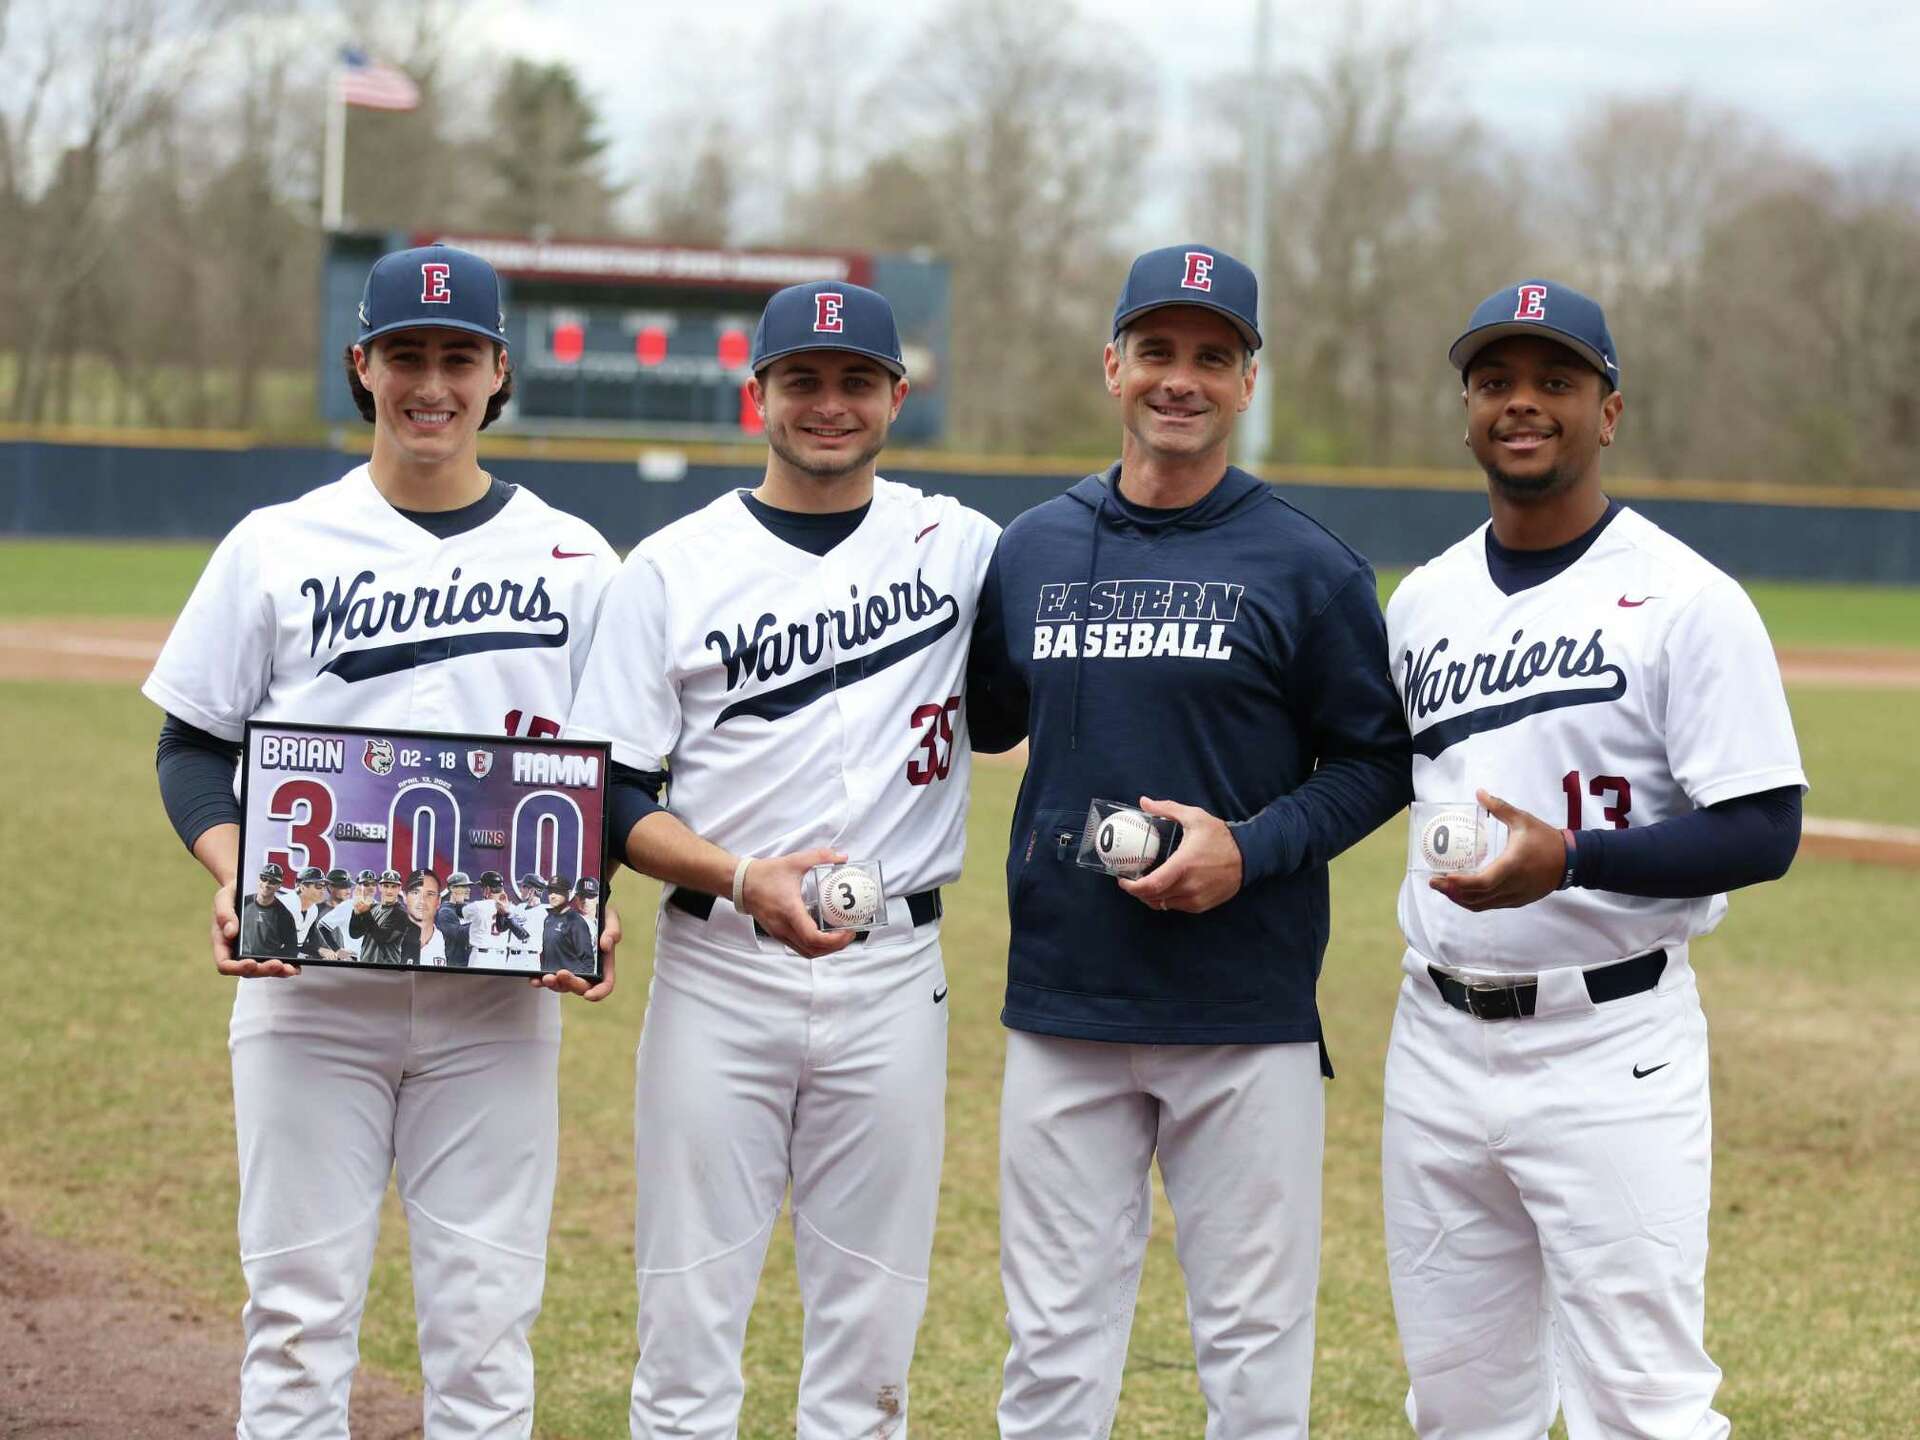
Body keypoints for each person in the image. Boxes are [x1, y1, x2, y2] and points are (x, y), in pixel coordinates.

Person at [142, 241, 622, 1436]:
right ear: (362, 365)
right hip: (308, 988)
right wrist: (231, 868)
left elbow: (617, 774)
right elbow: (192, 749)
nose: (432, 384)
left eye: (458, 357)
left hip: (497, 1004)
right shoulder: (279, 543)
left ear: (499, 373)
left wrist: (593, 891)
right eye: (406, 355)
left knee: (485, 1326)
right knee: (299, 1320)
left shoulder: (576, 561)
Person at [965, 243, 1412, 1438]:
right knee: (1053, 1347)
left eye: (1213, 357)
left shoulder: (1309, 567)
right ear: (1111, 364)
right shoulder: (1034, 549)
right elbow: (990, 712)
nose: (1182, 379)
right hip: (1067, 1001)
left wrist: (1252, 847)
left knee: (1254, 1354)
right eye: (1157, 351)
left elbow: (1378, 765)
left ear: (1248, 381)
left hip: (1242, 1008)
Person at [564, 279, 1001, 1438]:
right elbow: (611, 793)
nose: (829, 404)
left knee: (871, 1337)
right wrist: (736, 875)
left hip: (896, 973)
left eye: (856, 380)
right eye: (801, 379)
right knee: (688, 1320)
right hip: (722, 970)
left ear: (896, 397)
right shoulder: (670, 566)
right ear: (754, 392)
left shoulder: (960, 548)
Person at [1380, 280, 1804, 1440]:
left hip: (1610, 1043)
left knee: (1647, 1407)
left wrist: (1572, 859)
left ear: (1608, 411)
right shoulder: (1422, 602)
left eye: (1555, 382)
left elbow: (1764, 830)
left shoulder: (1688, 601)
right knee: (1461, 1407)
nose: (1523, 404)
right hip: (1436, 1038)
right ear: (1467, 411)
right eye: (1496, 382)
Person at [237, 863, 297, 959]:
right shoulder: (243, 903)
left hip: (267, 967)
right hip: (241, 961)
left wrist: (272, 962)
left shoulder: (284, 915)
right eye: (264, 879)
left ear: (279, 886)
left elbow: (292, 949)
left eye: (272, 881)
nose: (266, 884)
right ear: (259, 880)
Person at [539, 878, 595, 977]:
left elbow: (587, 961)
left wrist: (575, 980)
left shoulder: (575, 921)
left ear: (568, 893)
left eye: (557, 892)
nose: (552, 896)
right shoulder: (548, 919)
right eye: (550, 892)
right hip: (548, 980)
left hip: (566, 981)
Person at [437, 870, 474, 968]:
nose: (468, 889)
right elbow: (459, 935)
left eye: (468, 886)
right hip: (453, 964)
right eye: (464, 886)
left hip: (468, 962)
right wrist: (478, 923)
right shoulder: (445, 912)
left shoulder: (467, 908)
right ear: (452, 888)